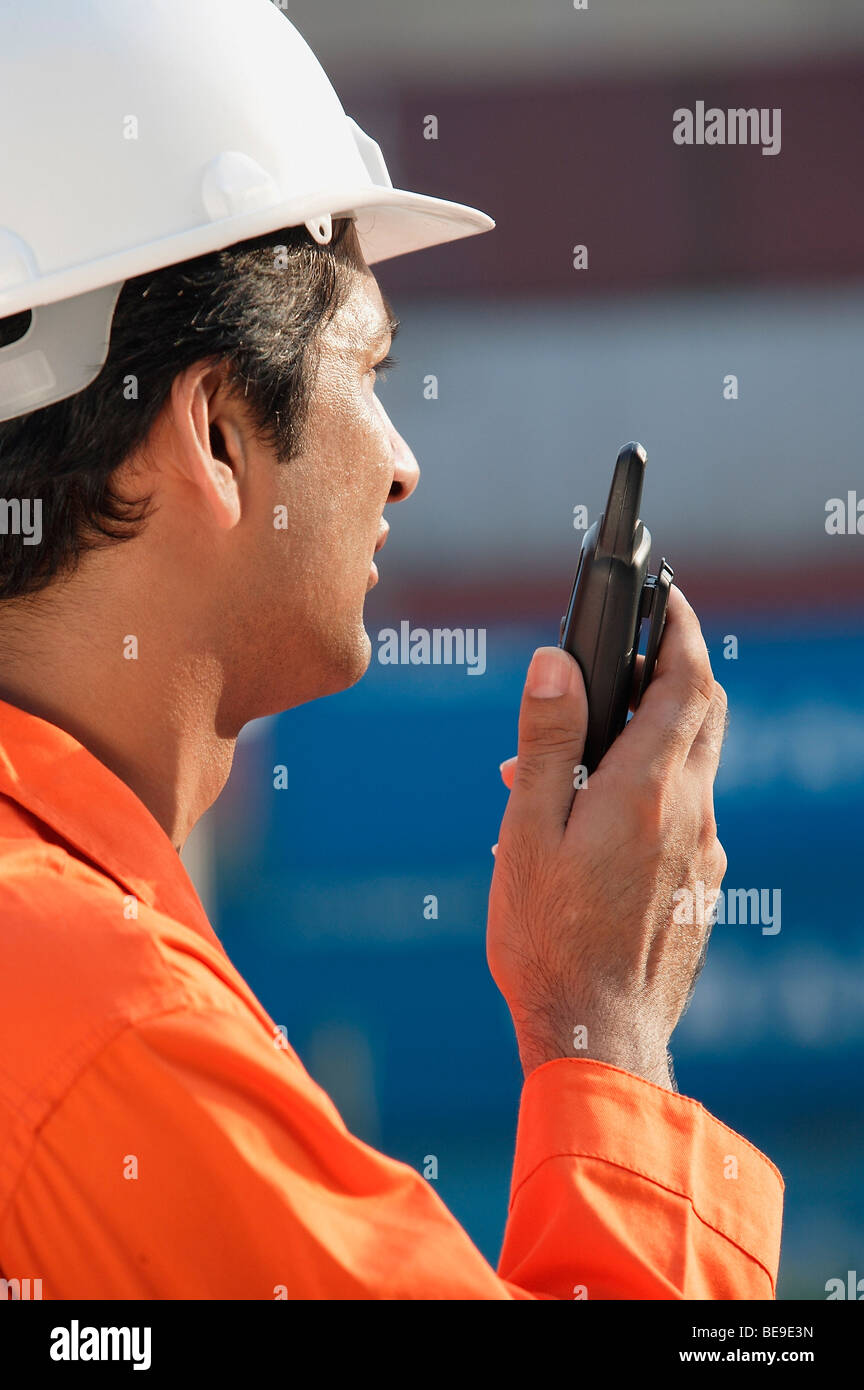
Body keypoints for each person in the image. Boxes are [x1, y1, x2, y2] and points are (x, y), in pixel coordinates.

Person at [0, 1, 782, 1299]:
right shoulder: (101, 1022)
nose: (403, 465)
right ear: (216, 434)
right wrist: (606, 1021)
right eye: (367, 369)